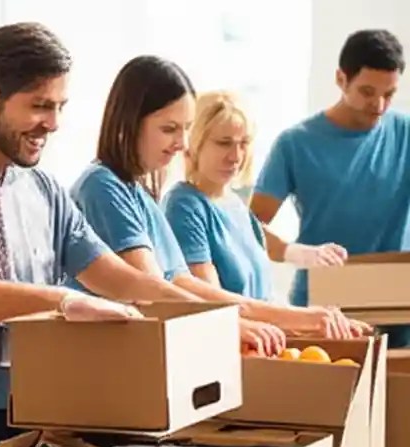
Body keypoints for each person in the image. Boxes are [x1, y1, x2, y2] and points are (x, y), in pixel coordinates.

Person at [0, 22, 269, 447]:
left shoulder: (44, 190)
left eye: (60, 106)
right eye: (40, 106)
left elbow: (123, 279)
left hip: (34, 415)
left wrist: (213, 321)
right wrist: (62, 301)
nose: (53, 123)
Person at [70, 55, 362, 339]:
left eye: (185, 128)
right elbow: (150, 291)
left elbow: (182, 283)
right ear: (130, 123)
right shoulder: (102, 187)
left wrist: (300, 317)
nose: (182, 143)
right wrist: (233, 324)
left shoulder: (140, 194)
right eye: (169, 129)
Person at [250, 29, 410, 345]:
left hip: (396, 304)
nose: (378, 105)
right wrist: (295, 253)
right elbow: (249, 229)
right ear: (341, 79)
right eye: (367, 92)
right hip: (322, 309)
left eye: (388, 94)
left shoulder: (405, 133)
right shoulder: (295, 144)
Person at [162, 91, 276, 299]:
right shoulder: (184, 205)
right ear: (194, 144)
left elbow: (267, 298)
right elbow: (212, 303)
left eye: (244, 143)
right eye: (224, 143)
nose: (236, 156)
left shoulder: (239, 208)